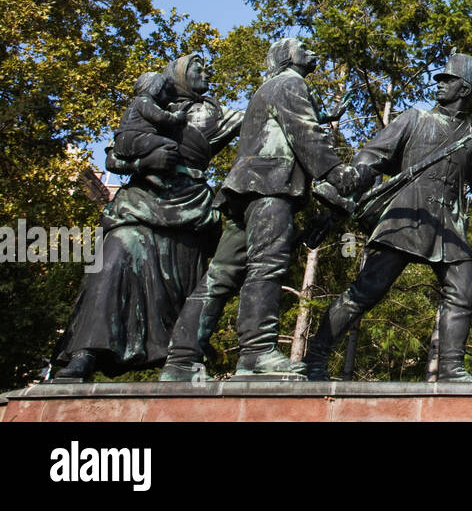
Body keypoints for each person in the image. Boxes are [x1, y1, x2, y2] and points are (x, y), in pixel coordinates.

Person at [302, 53, 472, 382]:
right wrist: (351, 178)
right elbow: (372, 157)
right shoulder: (415, 118)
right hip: (405, 218)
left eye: (447, 80)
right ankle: (314, 360)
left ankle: (450, 369)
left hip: (447, 228)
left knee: (463, 291)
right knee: (366, 291)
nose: (439, 85)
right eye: (440, 79)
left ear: (463, 89)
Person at [161, 38, 366, 380]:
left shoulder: (269, 87)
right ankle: (256, 352)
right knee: (266, 266)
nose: (312, 51)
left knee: (221, 274)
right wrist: (337, 174)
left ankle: (181, 359)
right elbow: (306, 134)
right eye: (305, 47)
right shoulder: (290, 83)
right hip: (271, 186)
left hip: (243, 190)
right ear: (287, 56)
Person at [52, 54, 241, 380]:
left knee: (180, 291)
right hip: (139, 204)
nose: (206, 71)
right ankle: (84, 354)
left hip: (188, 209)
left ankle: (181, 360)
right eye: (198, 66)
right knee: (113, 262)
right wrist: (144, 163)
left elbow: (263, 124)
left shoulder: (220, 116)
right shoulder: (152, 104)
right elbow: (114, 157)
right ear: (180, 75)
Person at [112, 71, 186, 161]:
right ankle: (151, 162)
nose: (169, 97)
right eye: (166, 91)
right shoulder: (144, 101)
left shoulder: (136, 103)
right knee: (171, 145)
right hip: (134, 138)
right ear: (156, 88)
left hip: (121, 141)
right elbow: (160, 117)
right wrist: (176, 117)